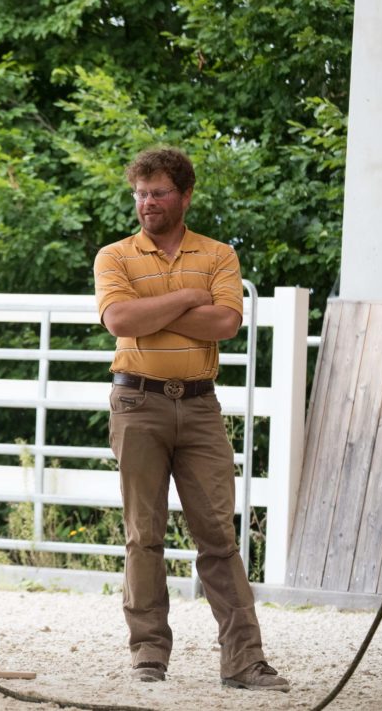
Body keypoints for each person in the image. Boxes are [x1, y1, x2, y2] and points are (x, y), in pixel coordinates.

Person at [93, 148, 289, 691]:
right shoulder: (114, 255)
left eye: (158, 193)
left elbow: (225, 322)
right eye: (140, 193)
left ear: (185, 195)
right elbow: (119, 318)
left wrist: (154, 311)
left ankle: (244, 661)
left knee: (218, 537)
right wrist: (185, 297)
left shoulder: (220, 254)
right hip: (136, 404)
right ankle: (149, 654)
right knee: (143, 536)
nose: (146, 203)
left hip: (200, 407)